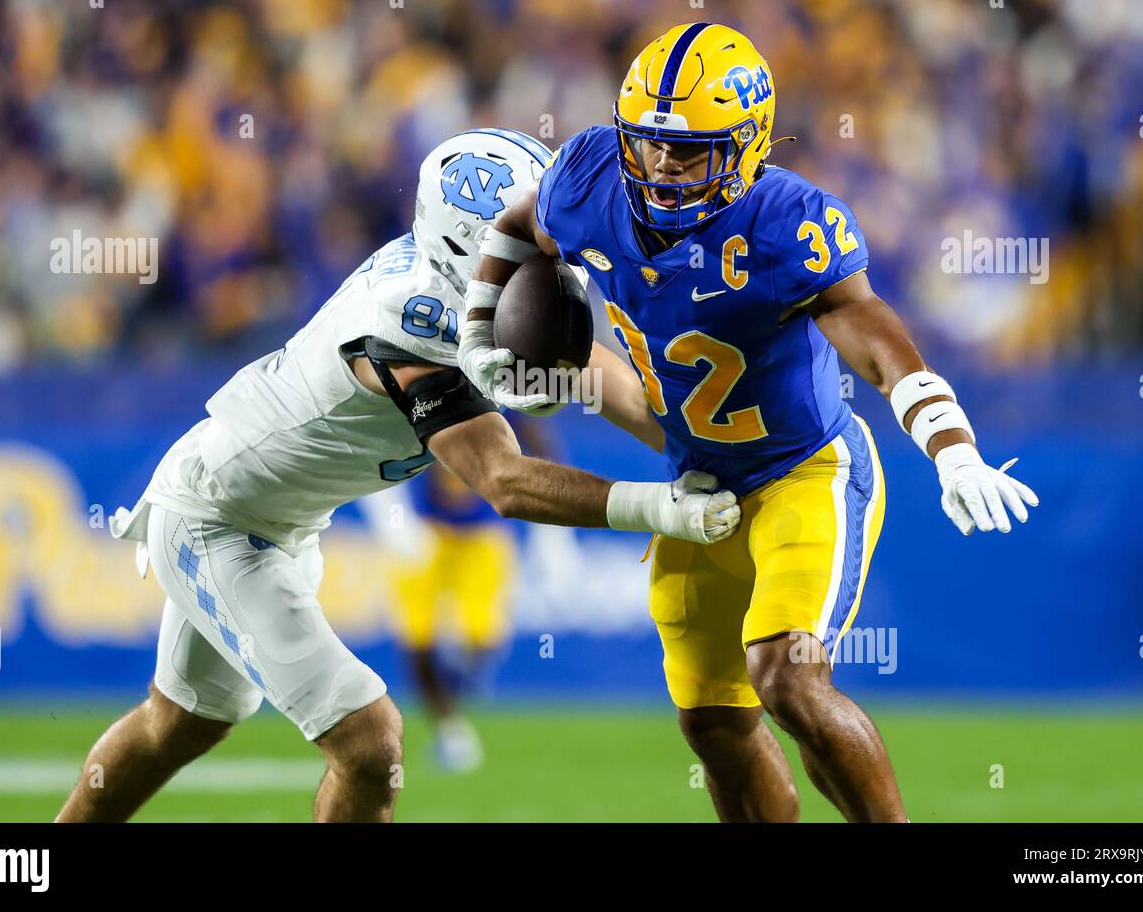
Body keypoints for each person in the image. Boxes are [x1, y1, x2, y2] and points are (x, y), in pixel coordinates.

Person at [55, 128, 740, 823]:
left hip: (277, 517)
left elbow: (589, 369)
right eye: (519, 242)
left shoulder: (466, 281)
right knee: (368, 741)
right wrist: (664, 506)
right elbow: (503, 478)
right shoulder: (405, 327)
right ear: (466, 251)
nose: (544, 256)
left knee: (181, 723)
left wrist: (707, 447)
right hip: (216, 519)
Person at [458, 25, 1039, 822]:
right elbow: (522, 219)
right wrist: (481, 313)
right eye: (651, 143)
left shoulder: (786, 223)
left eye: (690, 149)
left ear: (746, 146)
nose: (663, 165)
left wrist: (954, 449)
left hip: (804, 472)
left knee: (788, 676)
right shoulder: (589, 180)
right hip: (697, 482)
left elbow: (874, 340)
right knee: (713, 724)